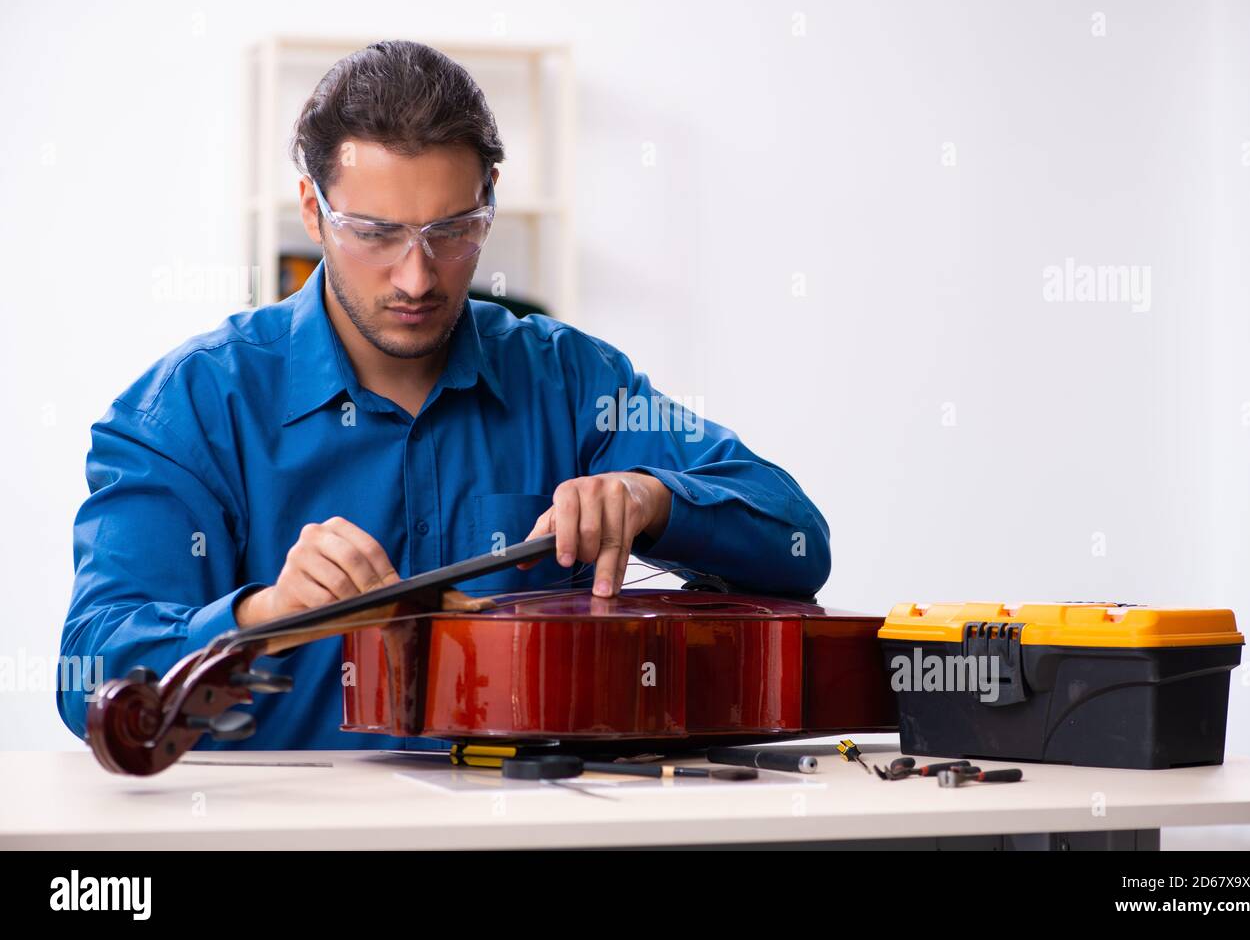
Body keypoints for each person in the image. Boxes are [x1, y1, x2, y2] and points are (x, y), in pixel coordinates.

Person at [58, 40, 830, 750]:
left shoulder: (569, 378)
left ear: (489, 201)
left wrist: (653, 497)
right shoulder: (185, 409)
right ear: (311, 212)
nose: (417, 277)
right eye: (375, 233)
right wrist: (265, 617)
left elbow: (799, 540)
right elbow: (89, 673)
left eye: (452, 230)